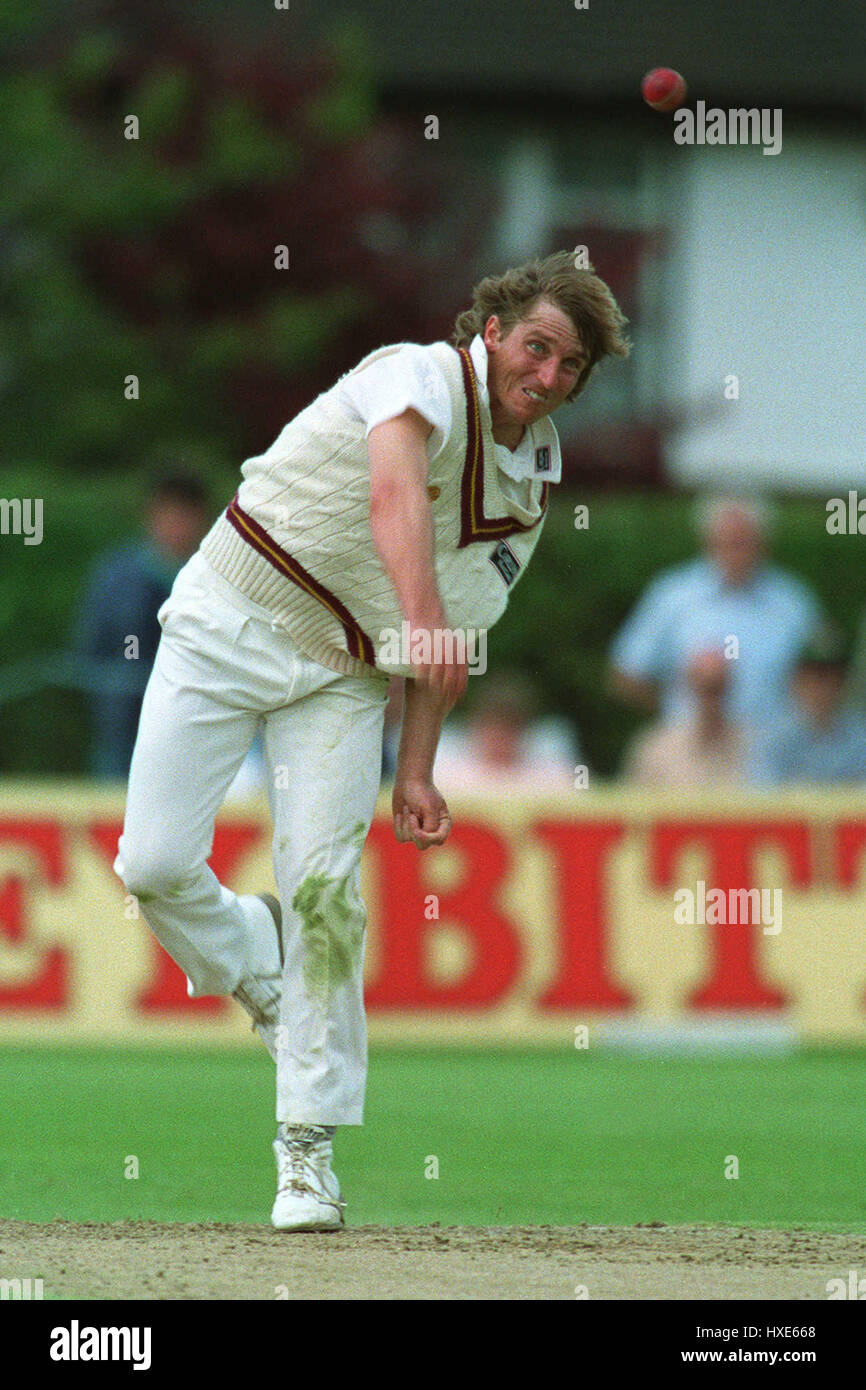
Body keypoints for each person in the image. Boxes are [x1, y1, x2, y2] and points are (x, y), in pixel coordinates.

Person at [113, 250, 630, 1231]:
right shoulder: (414, 372)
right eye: (538, 347)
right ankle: (251, 967)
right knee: (152, 864)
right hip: (230, 611)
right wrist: (421, 612)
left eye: (571, 367)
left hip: (344, 676)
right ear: (492, 332)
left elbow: (452, 637)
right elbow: (392, 496)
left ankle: (305, 1155)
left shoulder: (528, 484)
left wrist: (421, 766)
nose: (549, 376)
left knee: (323, 894)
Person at [608, 496, 822, 733]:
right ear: (707, 541)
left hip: (769, 753)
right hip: (693, 749)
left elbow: (822, 676)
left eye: (743, 542)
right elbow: (626, 673)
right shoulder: (672, 594)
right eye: (727, 542)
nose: (735, 552)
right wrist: (672, 715)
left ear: (763, 542)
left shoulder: (792, 599)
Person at [71, 473, 210, 778]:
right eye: (169, 514)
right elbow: (90, 648)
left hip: (197, 727)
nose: (176, 525)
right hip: (123, 729)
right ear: (151, 515)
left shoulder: (213, 577)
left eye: (184, 516)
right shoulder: (117, 576)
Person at [749, 623, 866, 785]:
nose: (821, 688)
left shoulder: (859, 738)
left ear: (843, 682)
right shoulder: (774, 739)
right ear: (796, 680)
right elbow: (764, 796)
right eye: (812, 677)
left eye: (830, 677)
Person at [622, 647, 748, 786]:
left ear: (728, 687)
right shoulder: (656, 749)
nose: (710, 697)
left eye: (716, 687)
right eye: (705, 687)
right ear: (689, 687)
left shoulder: (754, 747)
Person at [433, 671, 578, 789]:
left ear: (524, 729)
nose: (500, 736)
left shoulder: (549, 767)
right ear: (475, 724)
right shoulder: (444, 763)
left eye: (509, 727)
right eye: (493, 726)